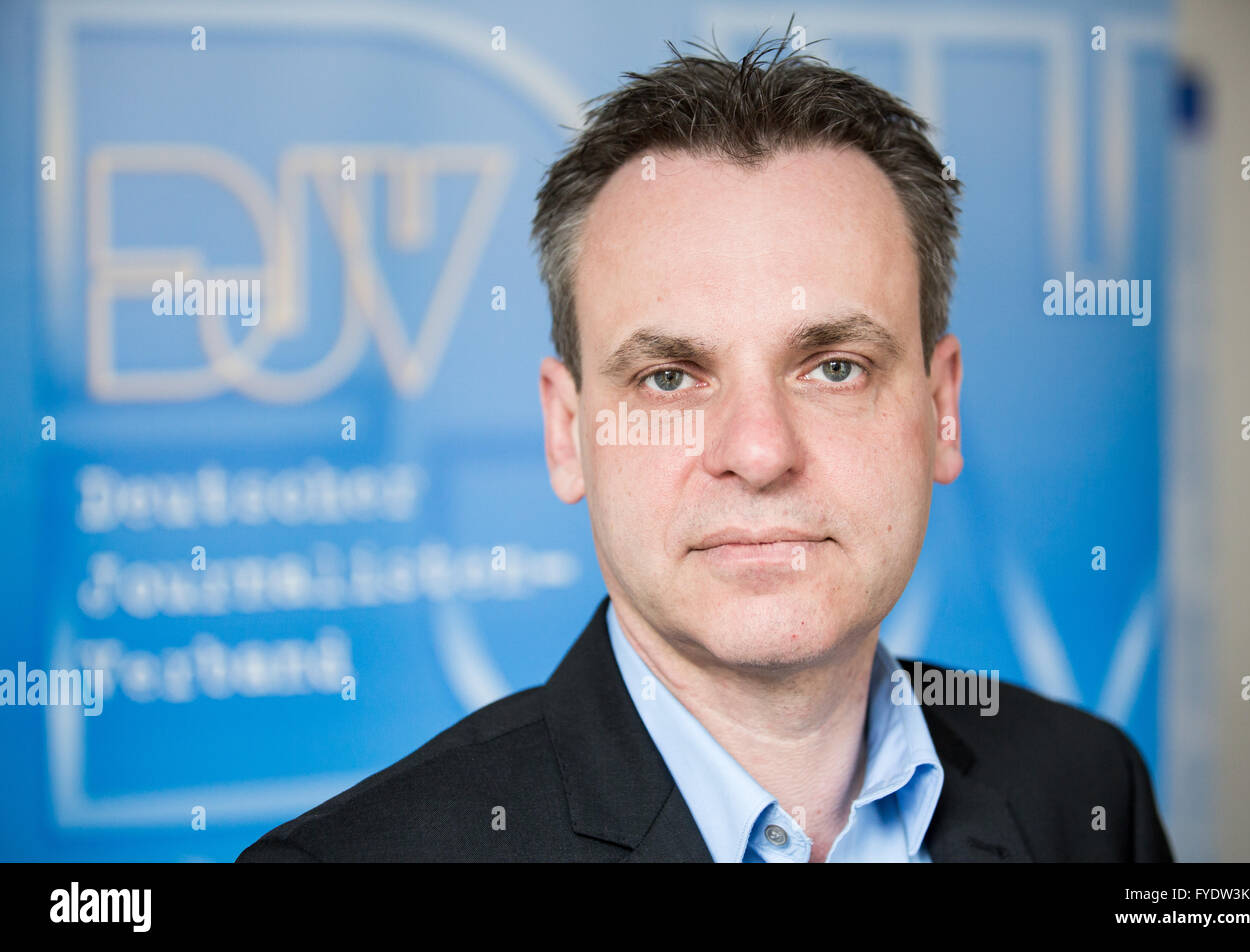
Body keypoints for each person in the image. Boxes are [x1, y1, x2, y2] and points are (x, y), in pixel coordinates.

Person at [239, 29, 1174, 863]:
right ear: (568, 434)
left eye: (835, 368)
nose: (759, 452)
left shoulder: (1088, 789)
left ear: (942, 409)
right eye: (670, 378)